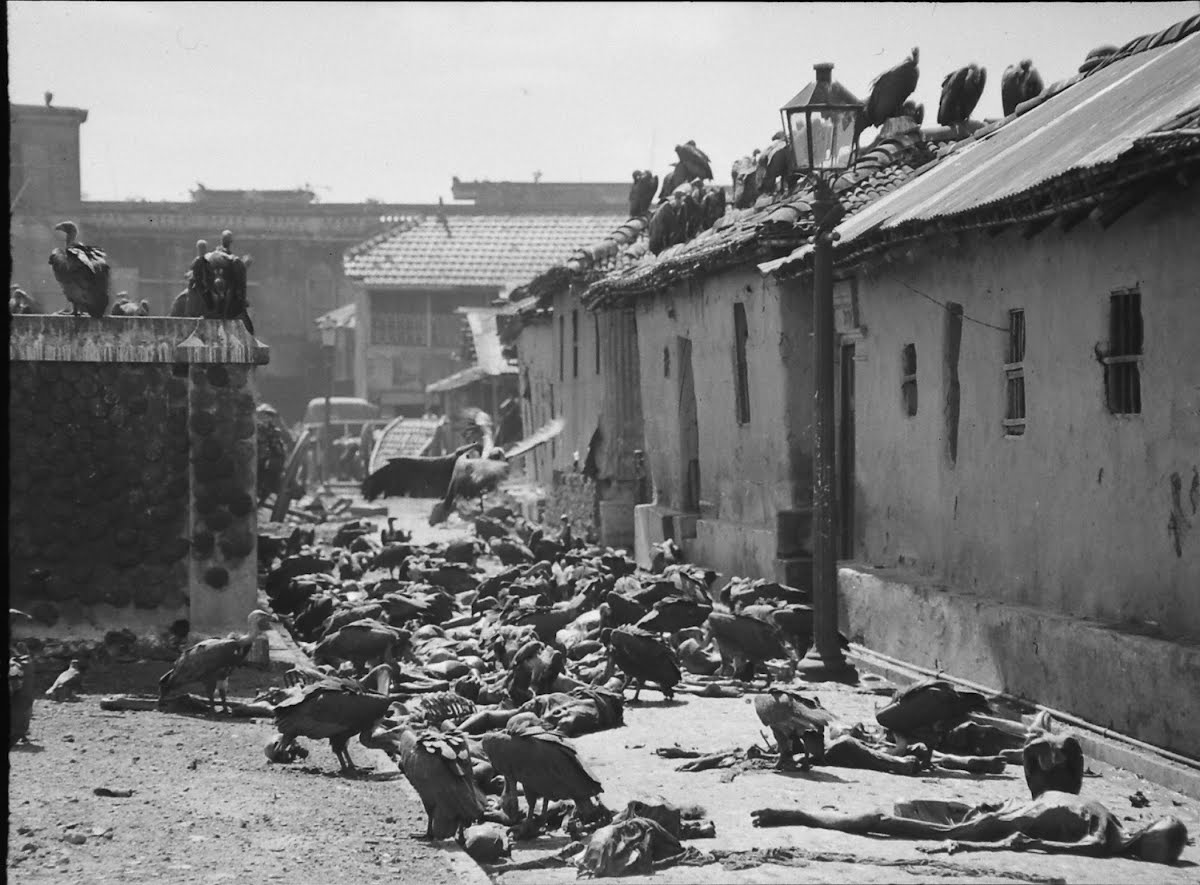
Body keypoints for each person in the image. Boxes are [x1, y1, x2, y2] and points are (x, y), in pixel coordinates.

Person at [751, 791, 1187, 864]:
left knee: (894, 822)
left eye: (1164, 852)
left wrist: (1032, 841)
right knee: (899, 820)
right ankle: (803, 815)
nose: (1154, 850)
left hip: (1006, 815)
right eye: (1162, 842)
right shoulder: (1110, 832)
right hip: (1003, 816)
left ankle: (801, 815)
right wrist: (1033, 842)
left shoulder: (1111, 831)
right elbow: (1091, 846)